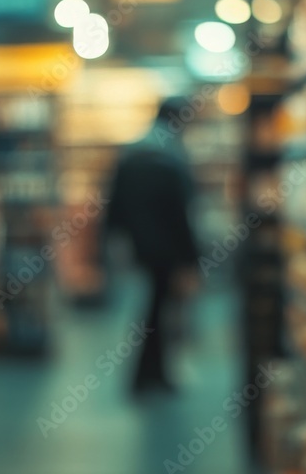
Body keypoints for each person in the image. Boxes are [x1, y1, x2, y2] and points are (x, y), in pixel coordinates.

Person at [103, 97, 200, 394]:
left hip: (137, 247)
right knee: (158, 312)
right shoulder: (171, 159)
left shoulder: (132, 154)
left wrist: (111, 243)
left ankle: (152, 374)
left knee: (149, 310)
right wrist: (191, 259)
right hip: (166, 251)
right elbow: (180, 216)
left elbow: (113, 204)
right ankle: (148, 376)